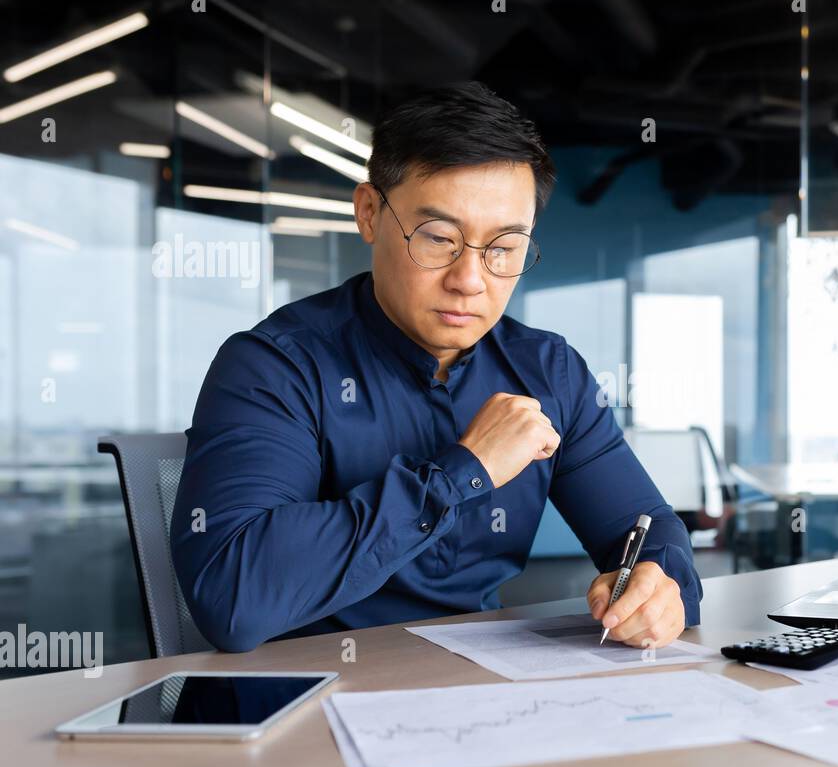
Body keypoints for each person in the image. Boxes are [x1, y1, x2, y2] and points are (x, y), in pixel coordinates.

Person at [171, 82, 701, 653]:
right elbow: (232, 600)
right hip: (309, 698)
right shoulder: (275, 366)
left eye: (503, 248)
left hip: (480, 693)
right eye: (439, 238)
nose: (470, 280)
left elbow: (646, 528)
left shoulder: (550, 372)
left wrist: (658, 587)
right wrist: (463, 471)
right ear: (370, 213)